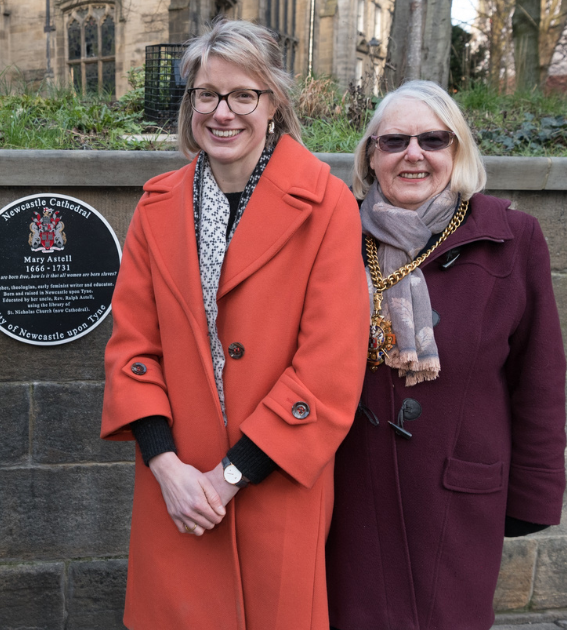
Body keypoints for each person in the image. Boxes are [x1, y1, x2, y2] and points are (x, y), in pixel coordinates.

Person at [100, 19, 369, 630]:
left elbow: (330, 366)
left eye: (243, 95)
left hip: (273, 483)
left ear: (273, 103)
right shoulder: (158, 203)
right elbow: (132, 349)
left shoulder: (326, 204)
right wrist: (167, 467)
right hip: (178, 491)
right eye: (207, 94)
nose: (223, 112)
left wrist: (228, 479)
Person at [326, 80, 567, 630]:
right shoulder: (334, 233)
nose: (414, 154)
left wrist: (532, 495)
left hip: (455, 501)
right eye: (394, 142)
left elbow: (540, 378)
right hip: (350, 493)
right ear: (370, 156)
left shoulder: (512, 237)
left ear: (456, 151)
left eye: (433, 139)